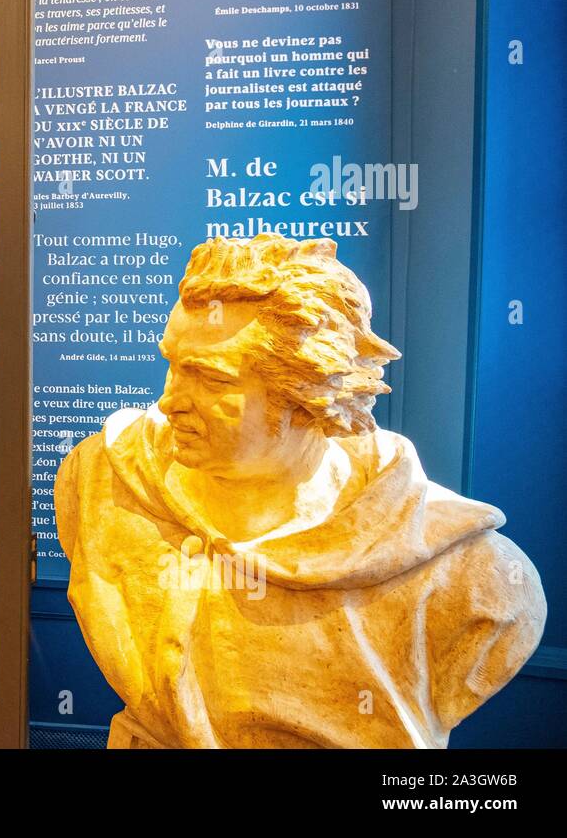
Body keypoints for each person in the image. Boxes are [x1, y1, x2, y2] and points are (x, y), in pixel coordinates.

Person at [55, 234, 545, 748]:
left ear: (309, 394)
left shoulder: (473, 581)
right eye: (174, 365)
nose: (170, 400)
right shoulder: (101, 480)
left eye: (210, 379)